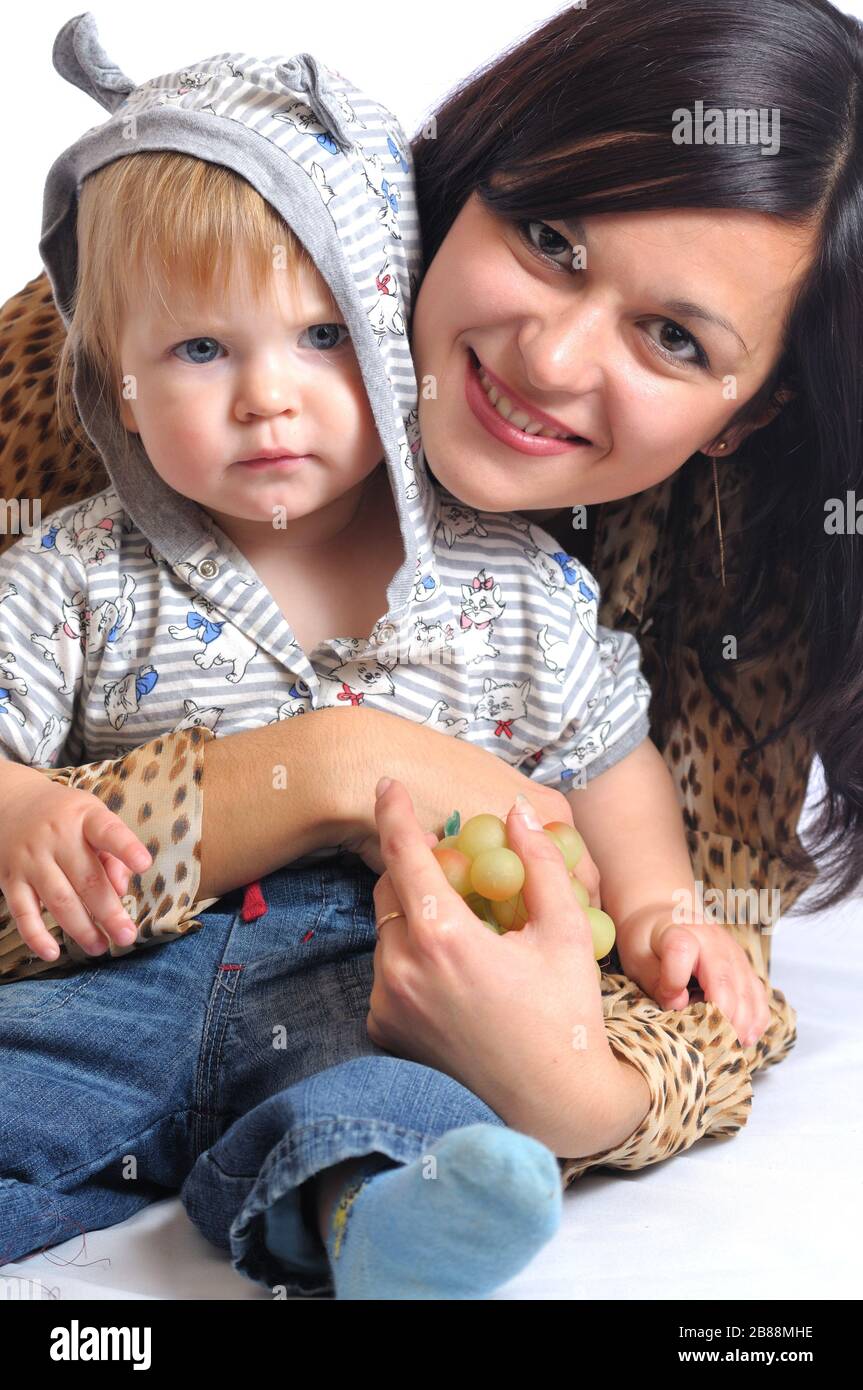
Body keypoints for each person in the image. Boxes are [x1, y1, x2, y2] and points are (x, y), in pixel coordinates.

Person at [1, 0, 860, 1289]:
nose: (552, 360)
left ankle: (375, 1217)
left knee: (388, 1108)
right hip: (121, 974)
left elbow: (694, 964)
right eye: (551, 239)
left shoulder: (651, 581)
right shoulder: (195, 280)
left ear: (757, 409)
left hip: (363, 978)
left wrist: (581, 1069)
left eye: (675, 338)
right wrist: (328, 768)